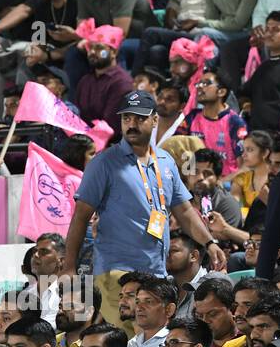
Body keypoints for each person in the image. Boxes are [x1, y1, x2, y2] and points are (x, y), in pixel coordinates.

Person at [63, 90, 222, 328]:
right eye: (126, 118)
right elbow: (80, 216)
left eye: (139, 118)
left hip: (155, 274)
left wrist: (210, 243)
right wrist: (68, 267)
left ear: (155, 120)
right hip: (116, 273)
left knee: (147, 345)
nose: (132, 124)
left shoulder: (166, 161)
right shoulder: (104, 163)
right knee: (131, 342)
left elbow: (185, 212)